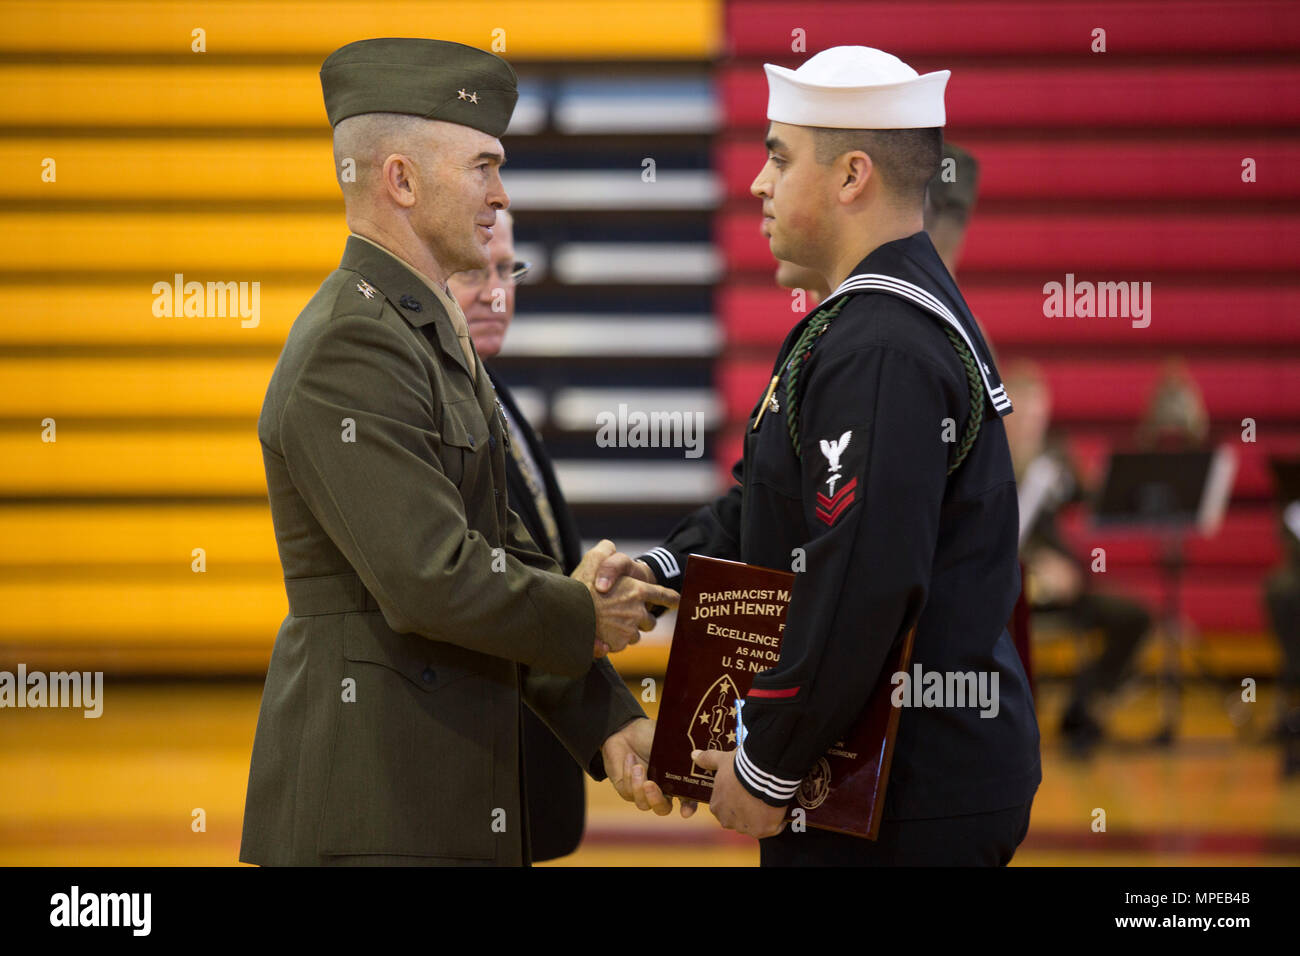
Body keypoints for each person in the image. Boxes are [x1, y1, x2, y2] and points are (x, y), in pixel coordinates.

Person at [239, 37, 679, 867]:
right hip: (372, 817)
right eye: (482, 167)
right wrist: (585, 614)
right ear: (400, 179)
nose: (500, 194)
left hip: (434, 804)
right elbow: (433, 579)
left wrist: (609, 721)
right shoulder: (353, 348)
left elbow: (498, 553)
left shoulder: (424, 333)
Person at [610, 46, 1041, 865]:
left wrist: (769, 762)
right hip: (887, 778)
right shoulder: (871, 321)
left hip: (899, 796)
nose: (756, 184)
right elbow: (778, 502)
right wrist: (662, 571)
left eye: (777, 156)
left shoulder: (881, 345)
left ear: (851, 177)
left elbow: (862, 578)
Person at [448, 209, 586, 861]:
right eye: (474, 271)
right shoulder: (430, 406)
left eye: (508, 270)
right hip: (473, 761)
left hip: (530, 751)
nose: (496, 293)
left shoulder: (492, 391)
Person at [1004, 361, 1151, 757]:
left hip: (1068, 583)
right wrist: (1033, 565)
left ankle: (1082, 705)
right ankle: (1014, 723)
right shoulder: (991, 462)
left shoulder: (1054, 459)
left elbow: (1091, 501)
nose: (1033, 424)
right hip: (1012, 588)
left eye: (1040, 414)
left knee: (1133, 617)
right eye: (1024, 414)